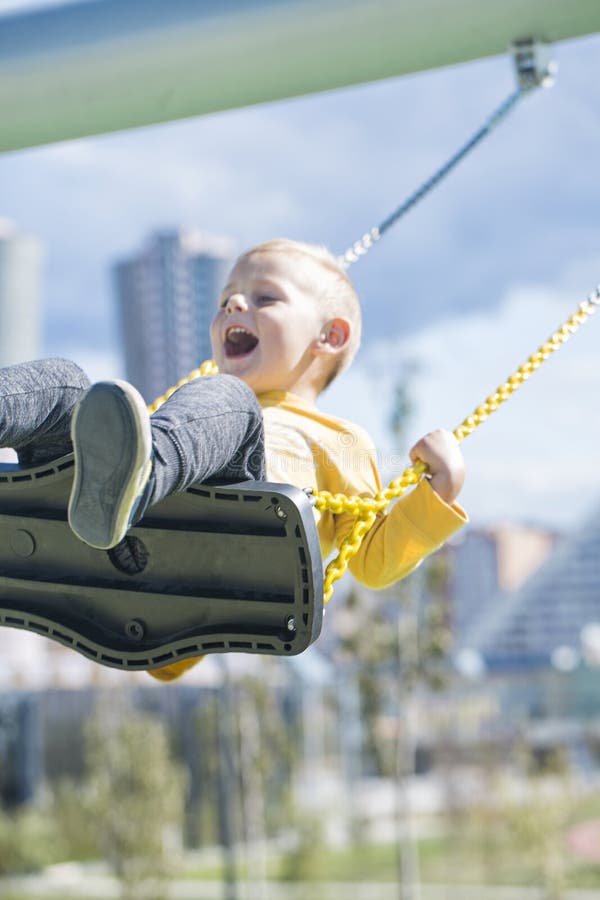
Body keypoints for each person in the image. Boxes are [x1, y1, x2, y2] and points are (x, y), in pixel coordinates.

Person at [0, 238, 467, 681]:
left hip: (214, 529)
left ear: (329, 336)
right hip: (105, 527)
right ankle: (113, 480)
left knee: (229, 398)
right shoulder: (196, 414)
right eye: (226, 300)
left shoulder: (340, 440)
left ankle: (131, 482)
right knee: (64, 383)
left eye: (264, 298)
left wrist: (438, 492)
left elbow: (371, 561)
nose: (233, 306)